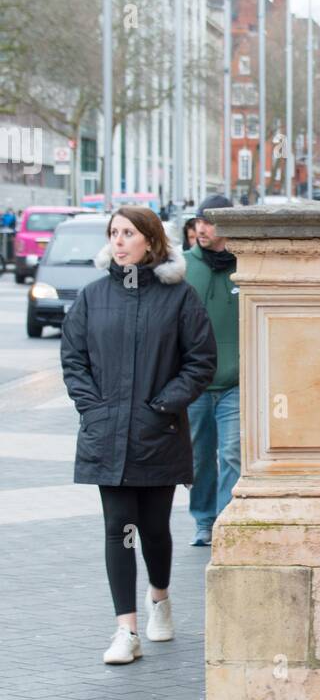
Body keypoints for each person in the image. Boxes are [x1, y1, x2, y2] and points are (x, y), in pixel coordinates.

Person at [60, 207, 217, 664]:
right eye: (113, 233)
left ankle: (160, 599)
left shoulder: (180, 299)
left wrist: (163, 405)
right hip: (106, 433)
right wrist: (93, 408)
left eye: (128, 233)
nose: (119, 241)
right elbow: (74, 359)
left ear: (150, 240)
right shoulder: (92, 298)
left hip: (158, 432)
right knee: (118, 528)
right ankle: (125, 631)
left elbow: (200, 361)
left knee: (153, 529)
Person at [184, 194, 241, 546]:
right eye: (199, 221)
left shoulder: (246, 263)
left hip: (235, 381)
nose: (202, 228)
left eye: (209, 221)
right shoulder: (182, 267)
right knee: (199, 457)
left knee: (232, 453)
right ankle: (203, 519)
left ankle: (225, 520)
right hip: (194, 382)